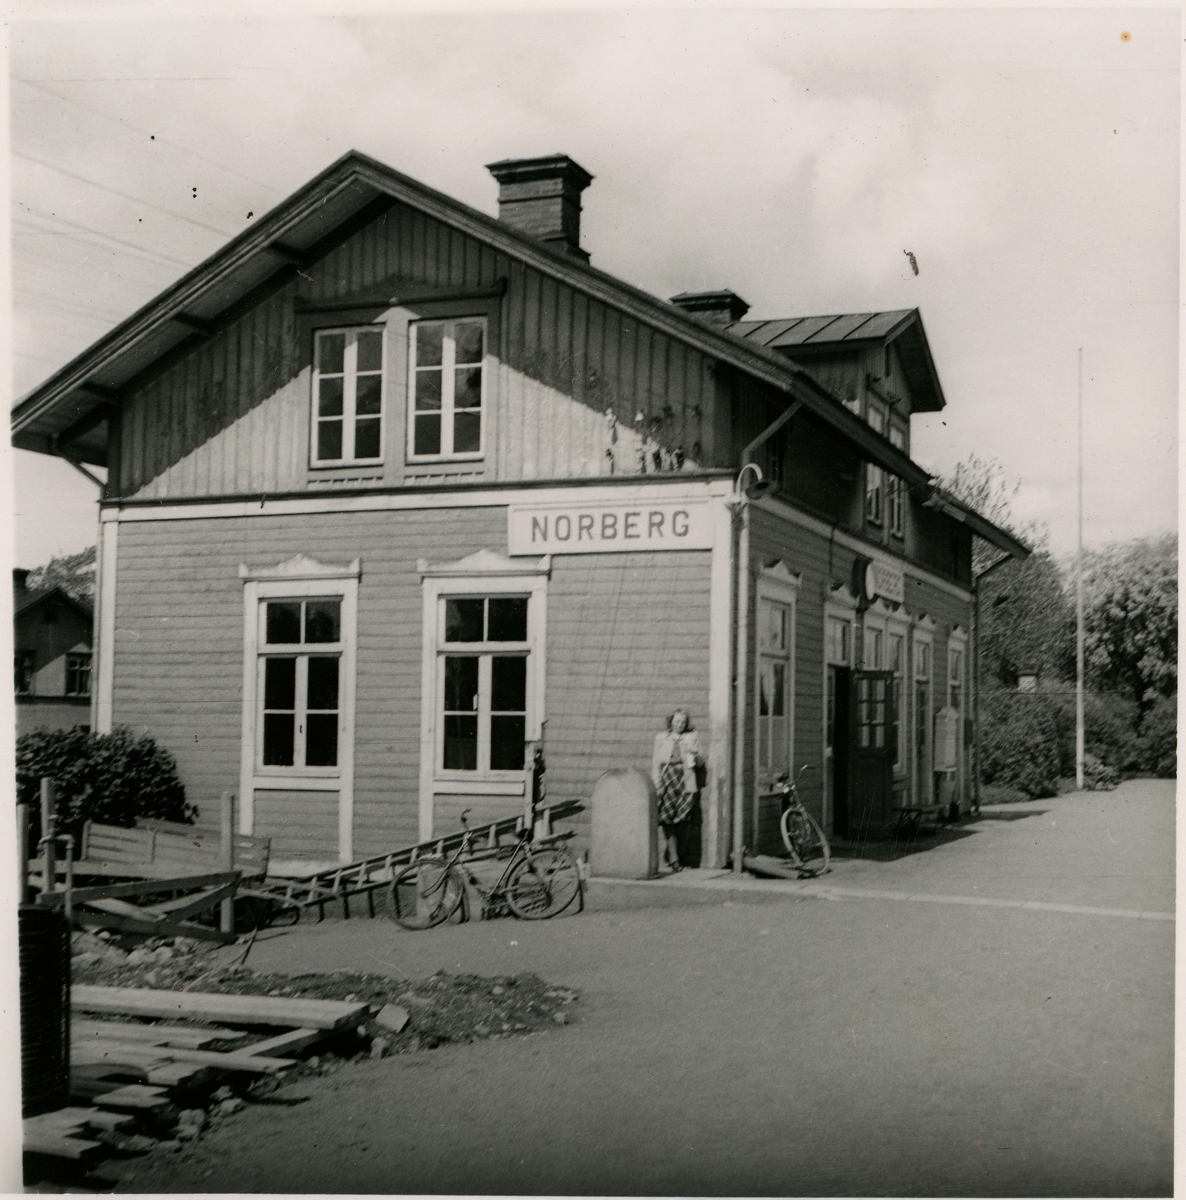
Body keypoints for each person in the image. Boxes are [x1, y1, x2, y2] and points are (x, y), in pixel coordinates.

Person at [651, 709, 703, 873]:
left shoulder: (692, 737)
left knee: (683, 819)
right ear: (671, 722)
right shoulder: (661, 738)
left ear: (686, 724)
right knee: (667, 819)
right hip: (668, 779)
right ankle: (674, 857)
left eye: (682, 722)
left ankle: (680, 854)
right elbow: (656, 764)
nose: (679, 725)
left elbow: (700, 764)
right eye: (676, 721)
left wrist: (696, 753)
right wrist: (657, 785)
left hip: (685, 779)